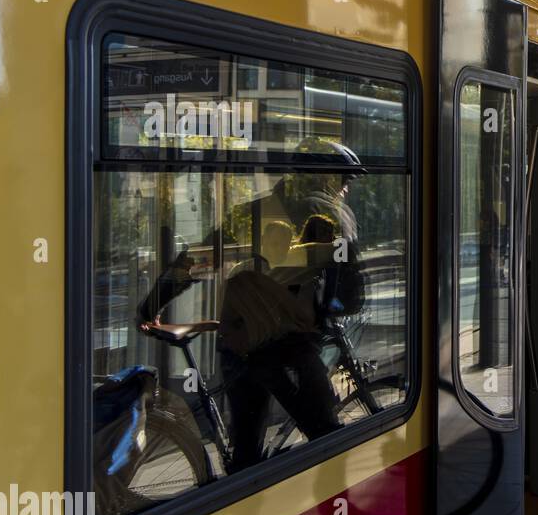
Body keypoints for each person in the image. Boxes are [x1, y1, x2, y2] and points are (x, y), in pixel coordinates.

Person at [138, 142, 367, 472]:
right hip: (289, 349)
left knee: (247, 454)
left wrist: (152, 304)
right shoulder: (329, 213)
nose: (345, 188)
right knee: (328, 441)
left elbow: (199, 259)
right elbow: (346, 288)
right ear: (323, 177)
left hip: (239, 344)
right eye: (343, 179)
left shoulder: (252, 212)